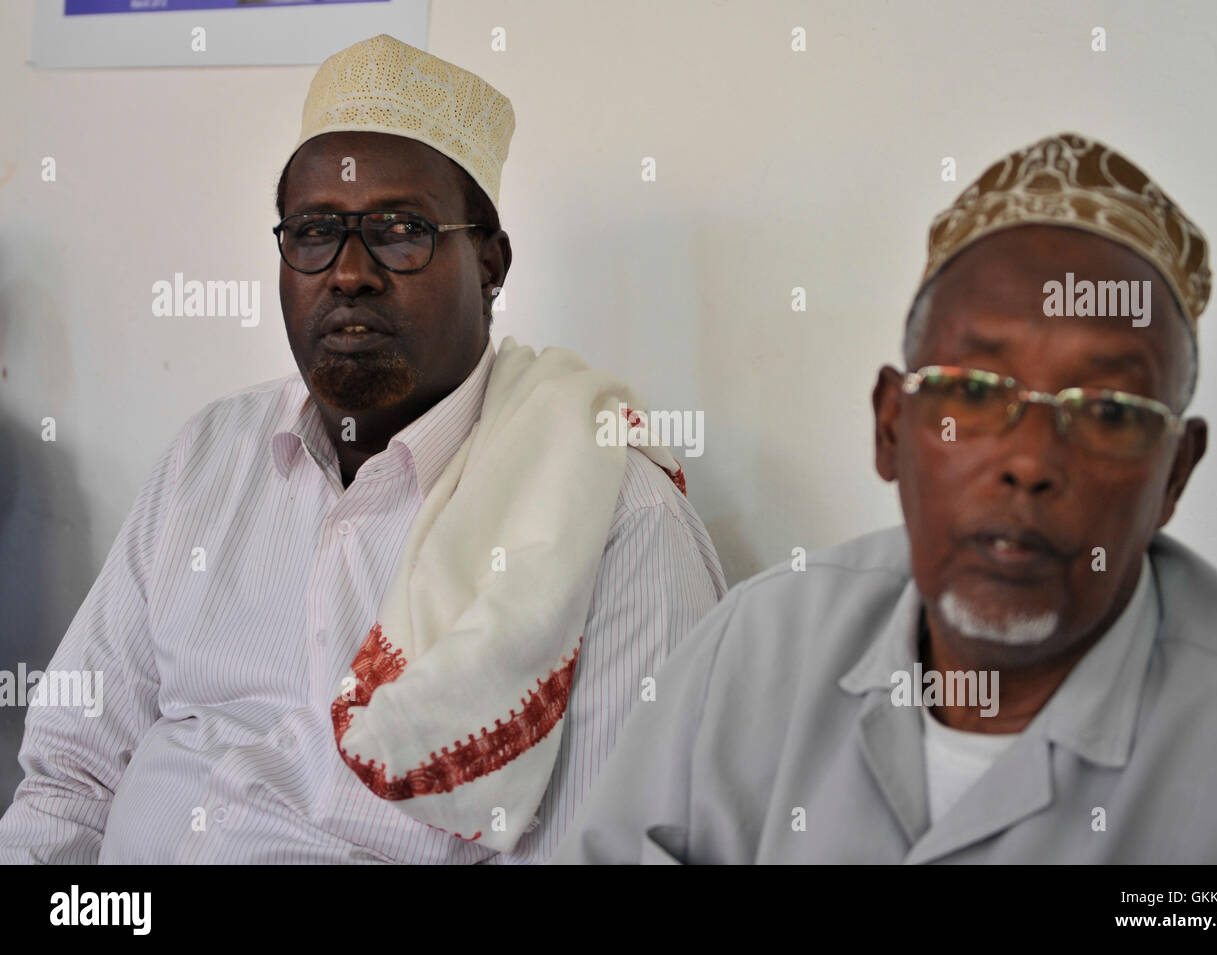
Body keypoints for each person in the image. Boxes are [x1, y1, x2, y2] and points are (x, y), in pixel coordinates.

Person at [0, 34, 724, 864]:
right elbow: (69, 775)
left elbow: (609, 850)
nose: (349, 272)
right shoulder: (209, 457)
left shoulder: (606, 515)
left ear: (490, 264)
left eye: (399, 230)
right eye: (315, 232)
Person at [553, 132, 1217, 864]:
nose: (1031, 461)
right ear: (891, 427)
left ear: (1175, 473)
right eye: (973, 392)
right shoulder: (754, 652)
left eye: (1107, 411)